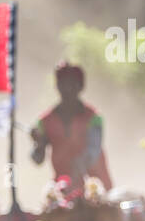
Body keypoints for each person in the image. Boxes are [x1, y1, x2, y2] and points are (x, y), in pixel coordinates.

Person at [30, 61, 112, 190]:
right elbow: (38, 160)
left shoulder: (94, 118)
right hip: (63, 189)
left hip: (96, 189)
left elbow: (93, 152)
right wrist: (38, 144)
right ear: (57, 86)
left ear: (80, 86)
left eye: (72, 84)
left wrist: (78, 165)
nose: (67, 89)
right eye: (63, 83)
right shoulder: (45, 121)